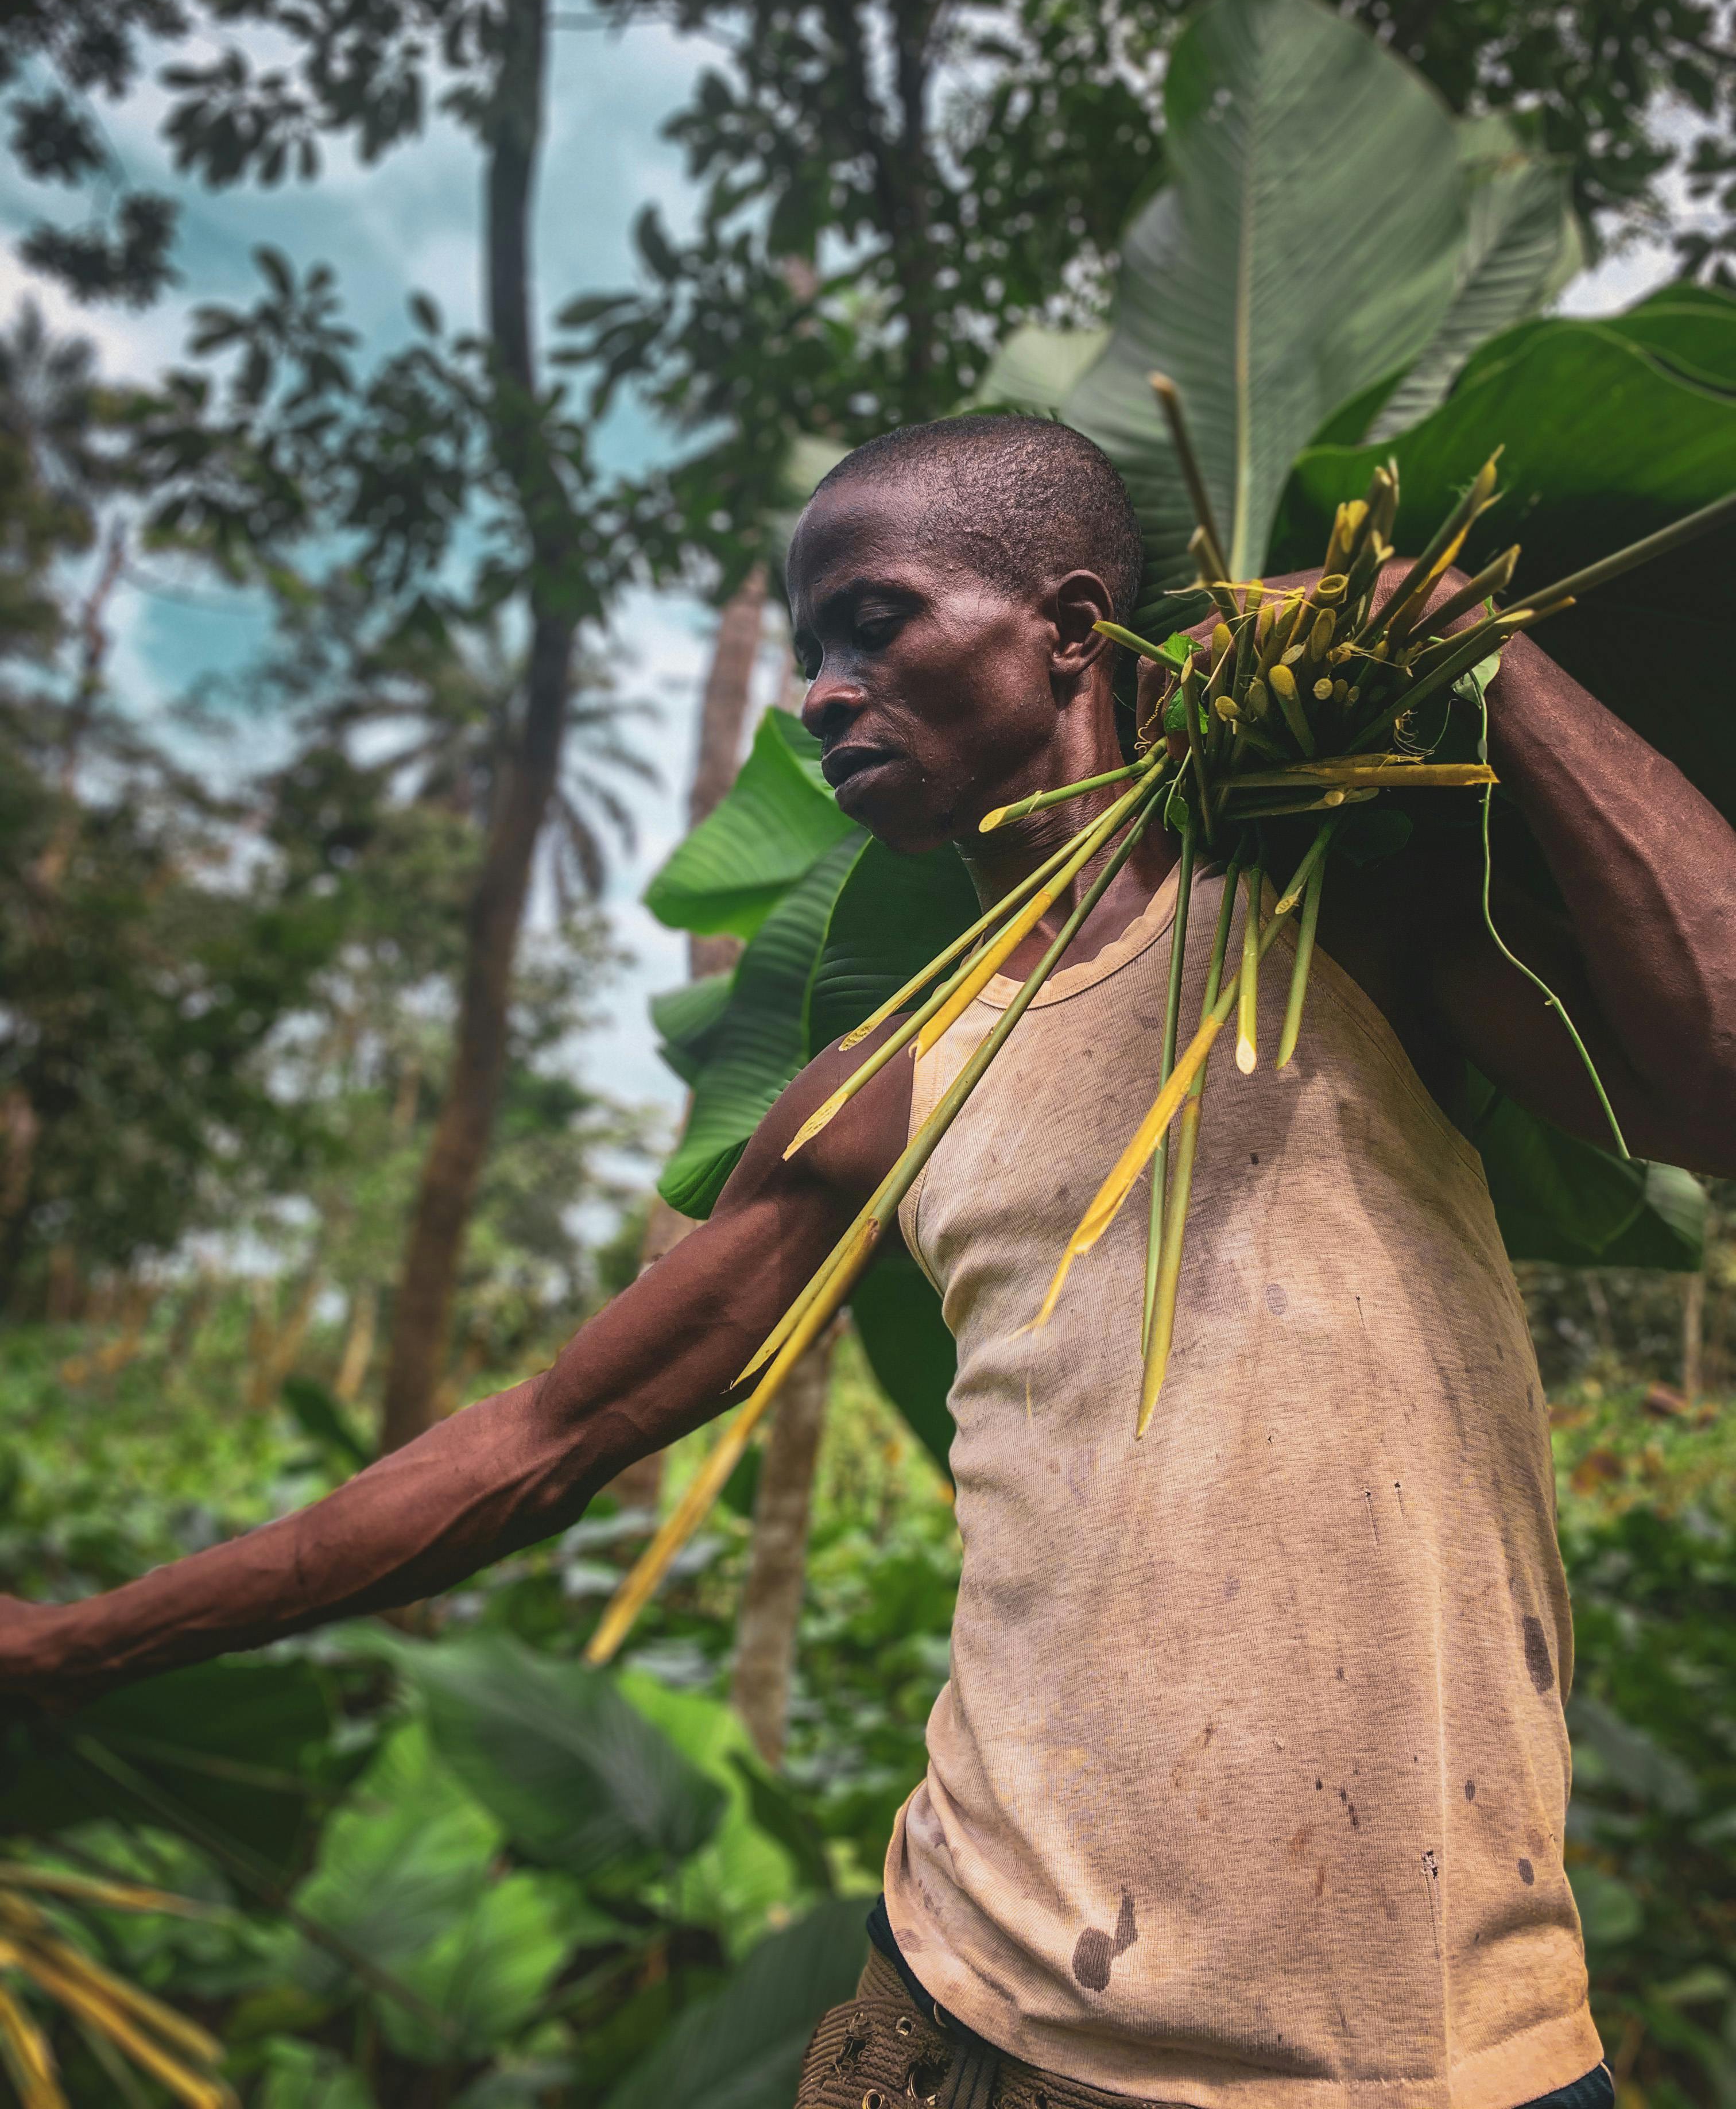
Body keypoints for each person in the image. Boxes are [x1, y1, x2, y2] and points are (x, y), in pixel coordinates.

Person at [4, 417, 1734, 2109]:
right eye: (810, 646)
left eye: (874, 621)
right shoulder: (889, 1077)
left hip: (1438, 2046)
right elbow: (543, 1440)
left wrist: (1477, 647)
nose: (820, 691)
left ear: (1066, 631)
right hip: (959, 2009)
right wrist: (71, 1646)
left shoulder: (1337, 912)